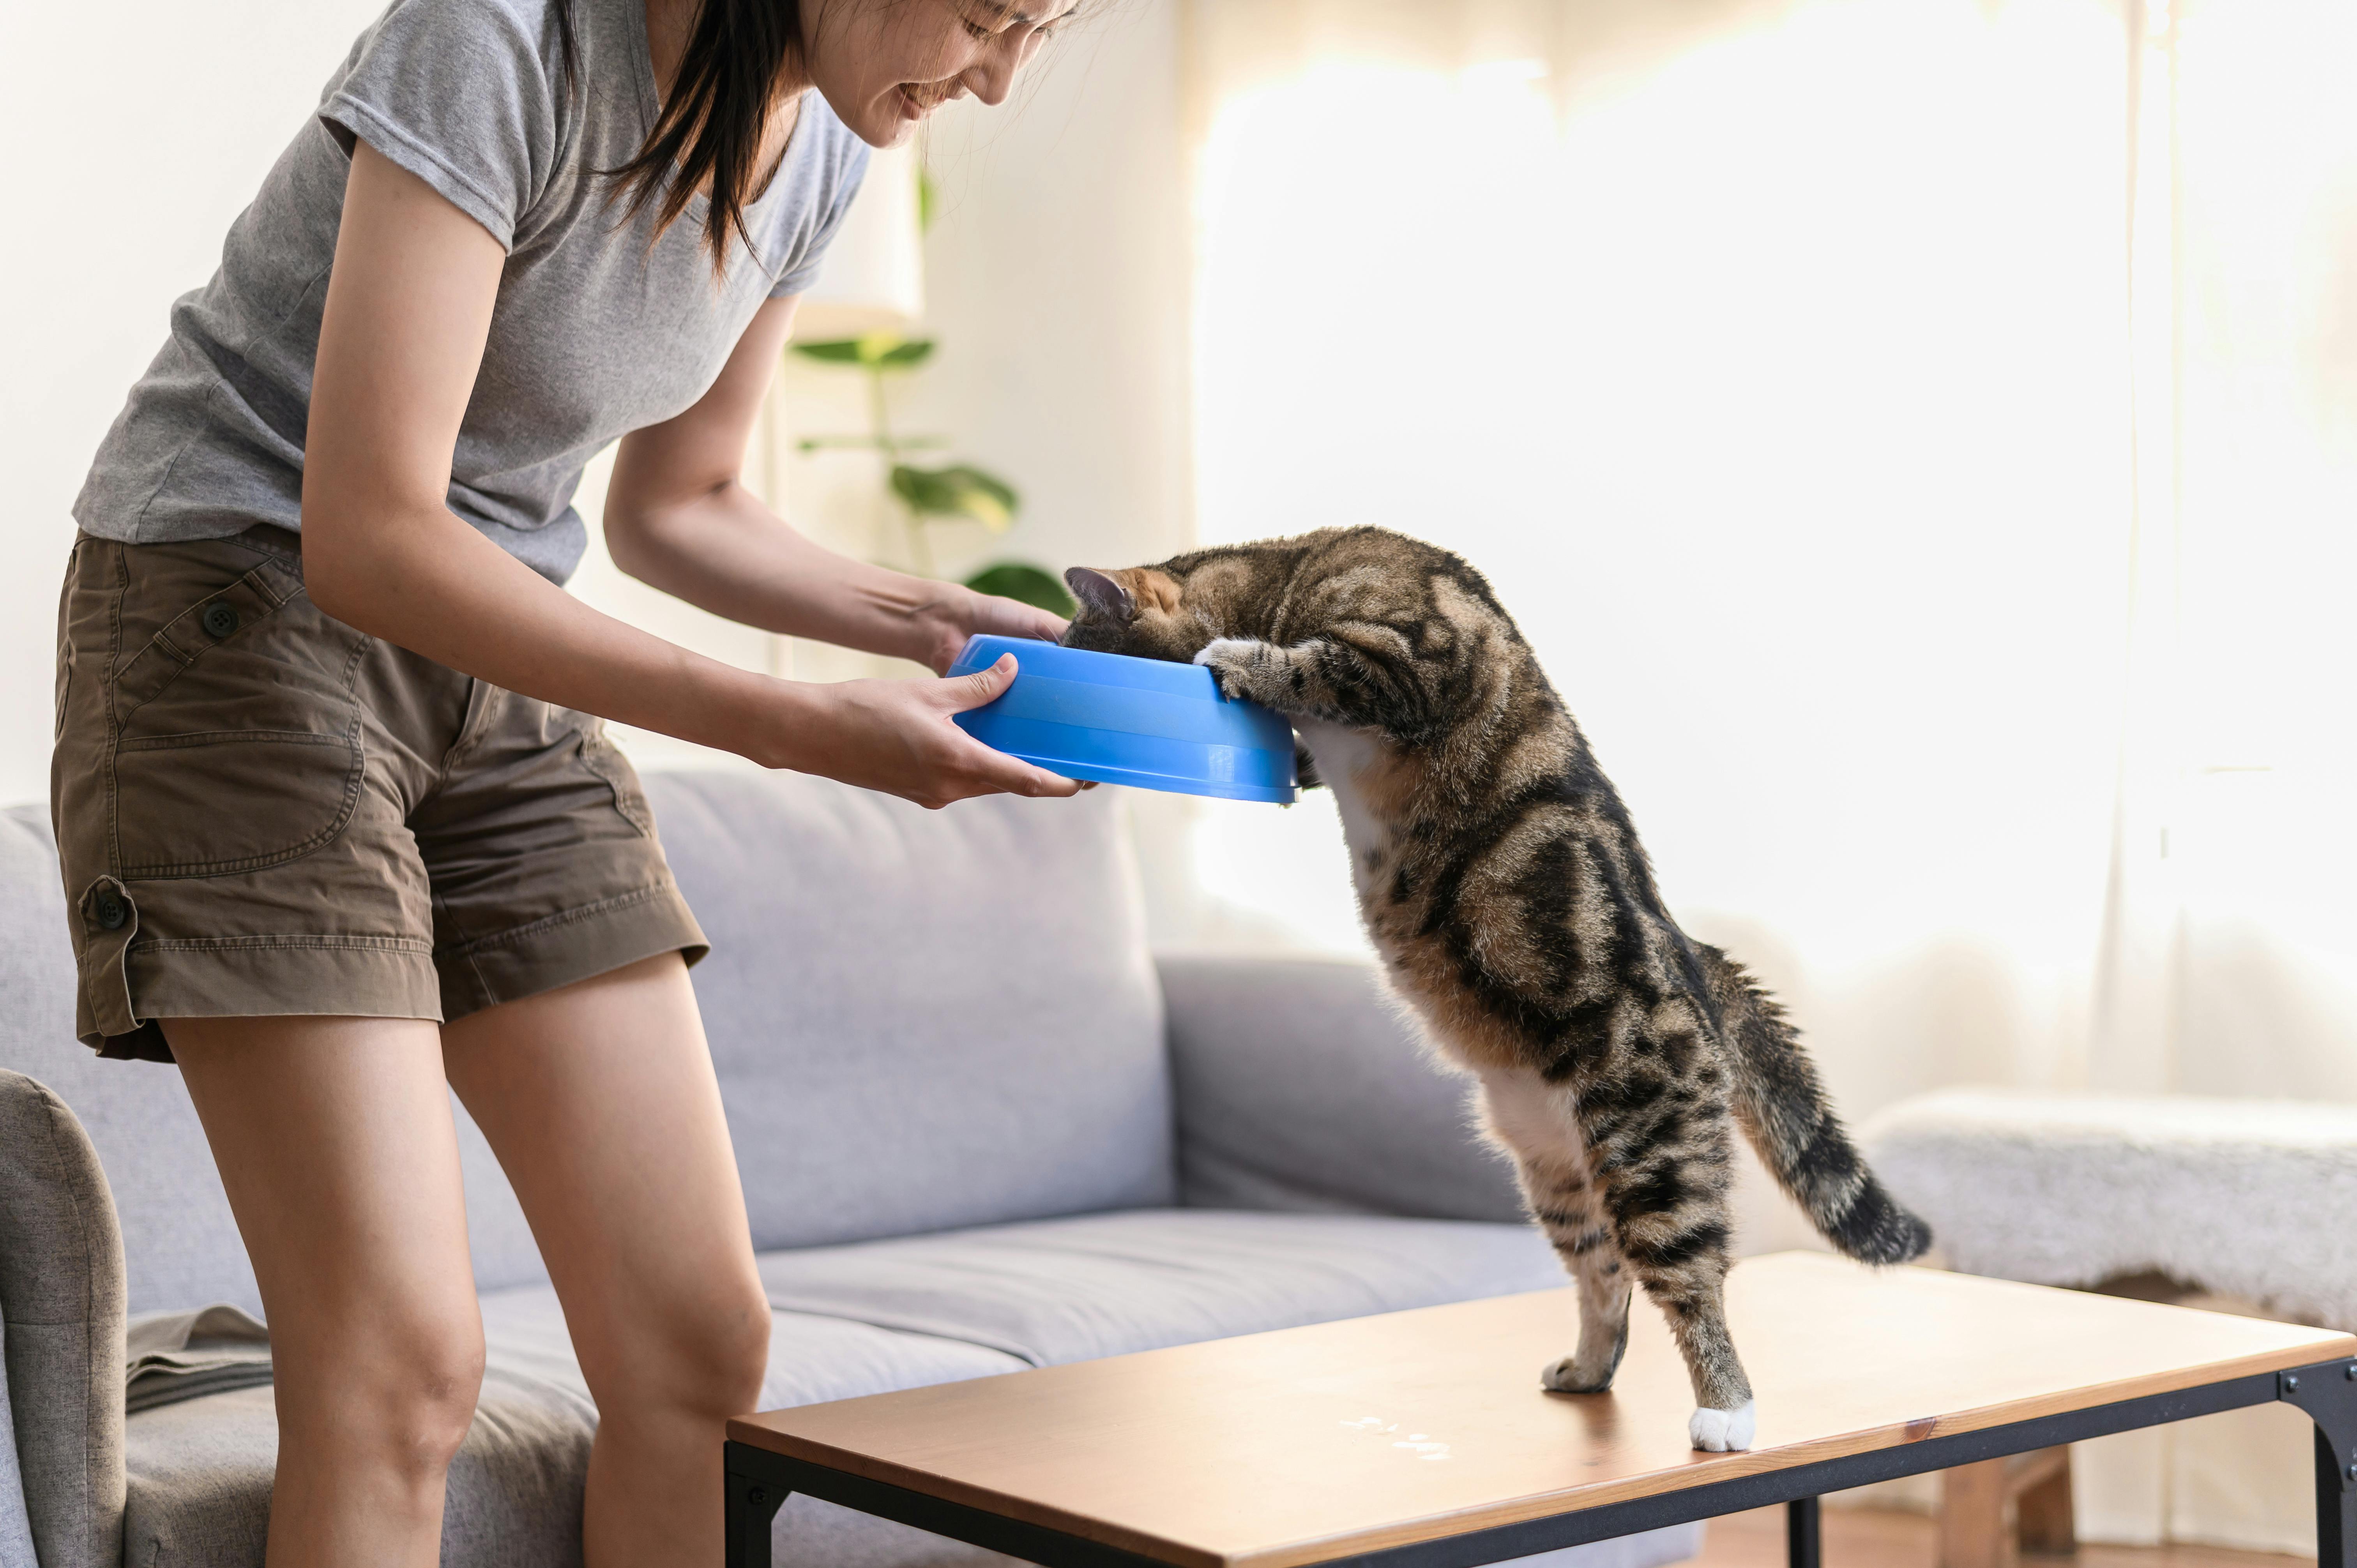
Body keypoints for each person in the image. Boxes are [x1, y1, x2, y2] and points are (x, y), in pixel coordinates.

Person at [53, 0, 1082, 1560]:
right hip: (234, 619)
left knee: (695, 1352)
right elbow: (370, 529)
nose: (1000, 77)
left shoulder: (823, 142)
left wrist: (941, 622)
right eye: (989, 14)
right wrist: (792, 722)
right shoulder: (500, 36)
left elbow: (692, 501)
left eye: (1047, 29)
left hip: (490, 647)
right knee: (399, 1370)